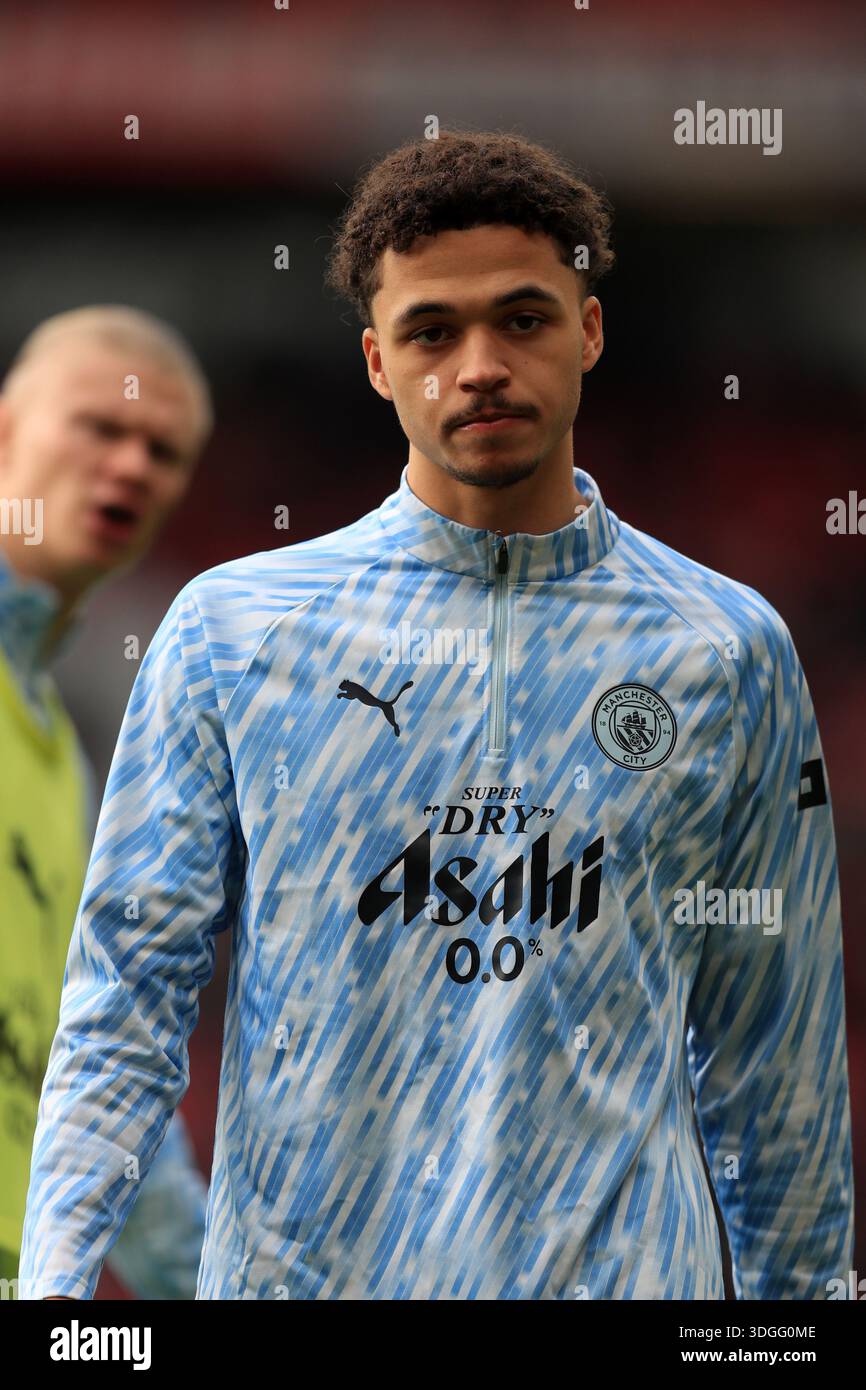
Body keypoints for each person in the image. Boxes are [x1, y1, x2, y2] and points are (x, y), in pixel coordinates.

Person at [20, 133, 854, 1300]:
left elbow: (776, 1062)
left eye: (522, 319)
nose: (477, 367)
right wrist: (51, 1290)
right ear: (375, 359)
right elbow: (125, 1002)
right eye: (431, 331)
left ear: (589, 332)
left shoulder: (724, 650)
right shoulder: (234, 633)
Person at [0, 306, 212, 1298]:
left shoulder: (60, 758)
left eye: (163, 452)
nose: (132, 465)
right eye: (99, 427)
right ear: (7, 431)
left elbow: (104, 1073)